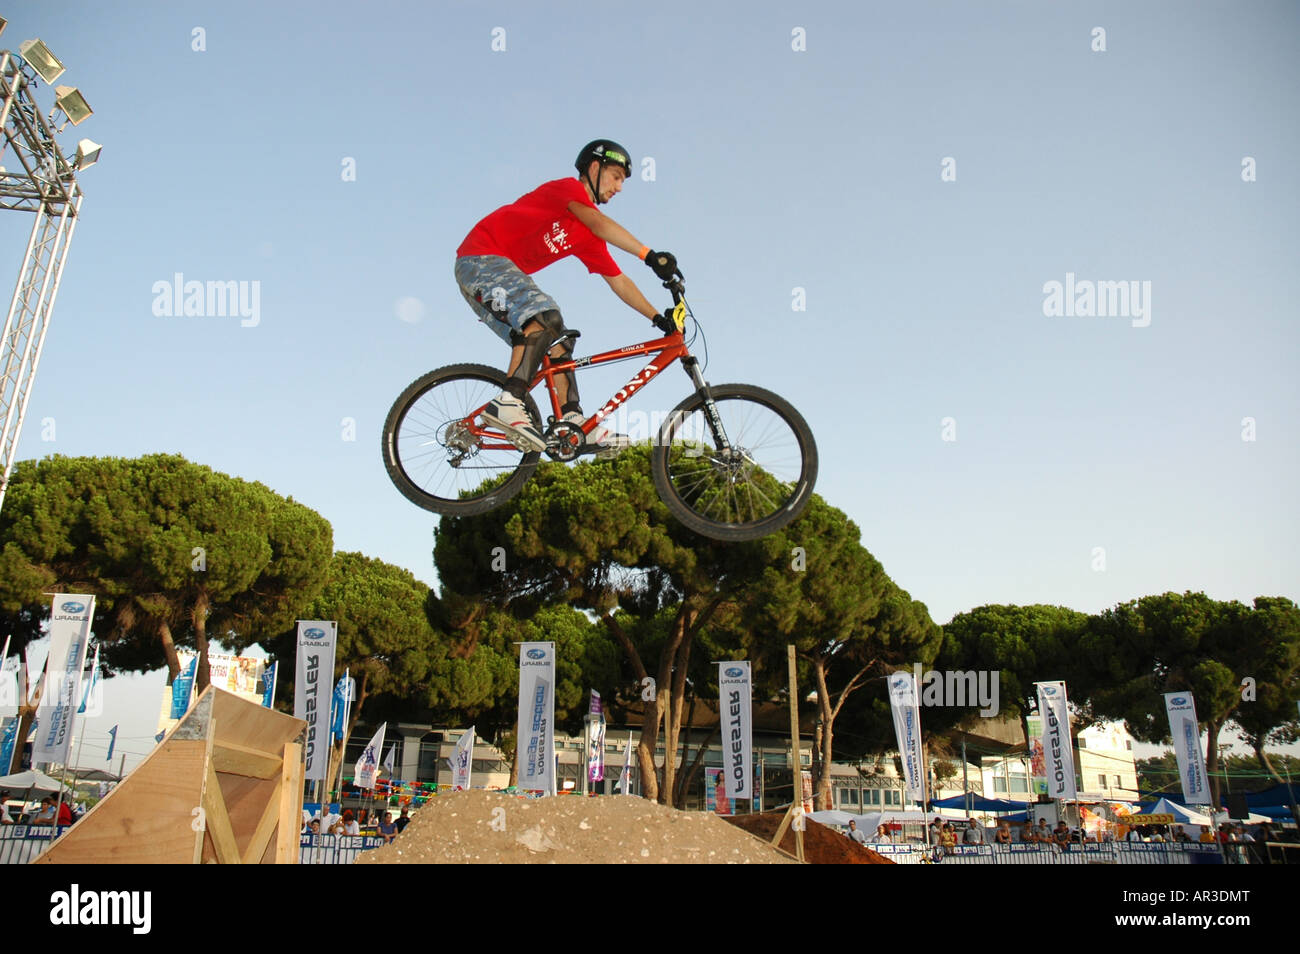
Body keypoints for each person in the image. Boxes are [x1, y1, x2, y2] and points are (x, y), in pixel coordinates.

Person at [455, 139, 680, 454]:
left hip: (492, 279)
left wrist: (658, 318)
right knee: (546, 316)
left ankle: (573, 420)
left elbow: (619, 281)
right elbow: (598, 222)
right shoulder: (566, 191)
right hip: (480, 260)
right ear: (594, 168)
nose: (619, 187)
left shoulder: (588, 237)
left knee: (557, 339)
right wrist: (648, 255)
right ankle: (509, 401)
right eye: (616, 176)